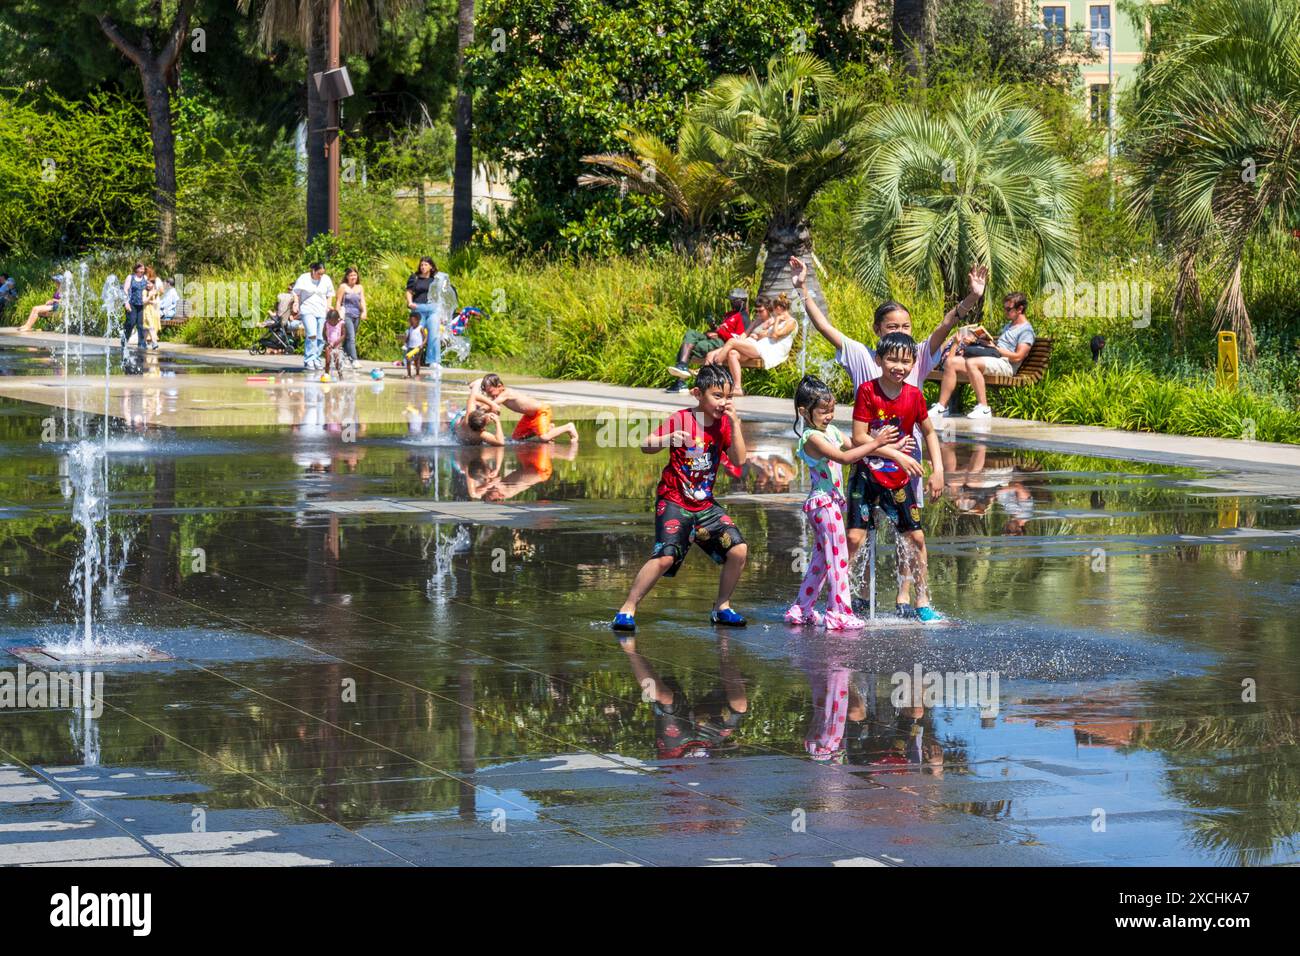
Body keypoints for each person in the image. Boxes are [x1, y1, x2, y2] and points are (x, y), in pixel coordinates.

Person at [790, 255, 984, 569]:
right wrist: (802, 289)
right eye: (893, 326)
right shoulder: (861, 356)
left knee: (909, 532)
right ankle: (854, 593)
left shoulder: (917, 356)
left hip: (908, 457)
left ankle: (906, 596)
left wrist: (972, 297)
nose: (901, 331)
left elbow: (944, 325)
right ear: (878, 330)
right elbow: (824, 326)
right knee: (860, 532)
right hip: (867, 455)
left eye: (906, 326)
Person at [612, 364, 748, 633]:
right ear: (698, 393)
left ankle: (722, 607)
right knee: (665, 557)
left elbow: (739, 460)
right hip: (674, 500)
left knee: (738, 549)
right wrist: (669, 438)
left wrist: (734, 424)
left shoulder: (724, 425)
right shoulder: (681, 420)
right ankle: (626, 609)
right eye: (717, 395)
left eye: (727, 396)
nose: (723, 402)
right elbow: (646, 445)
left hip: (705, 504)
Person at [784, 375, 908, 630]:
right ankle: (838, 613)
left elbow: (857, 447)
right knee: (839, 560)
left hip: (831, 505)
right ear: (804, 412)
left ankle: (801, 609)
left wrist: (890, 448)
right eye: (823, 411)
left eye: (832, 410)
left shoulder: (830, 431)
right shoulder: (811, 438)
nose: (829, 416)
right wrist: (876, 442)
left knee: (821, 560)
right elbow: (844, 458)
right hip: (823, 505)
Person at [851, 332, 946, 623]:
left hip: (898, 480)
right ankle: (845, 597)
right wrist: (896, 453)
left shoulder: (914, 396)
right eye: (891, 359)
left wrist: (938, 470)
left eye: (905, 361)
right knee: (855, 539)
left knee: (915, 538)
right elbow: (857, 437)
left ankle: (922, 600)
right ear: (878, 360)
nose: (898, 366)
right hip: (866, 475)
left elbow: (929, 431)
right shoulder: (868, 391)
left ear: (913, 364)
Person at [930, 291, 1035, 420]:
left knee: (971, 363)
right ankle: (942, 407)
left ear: (1020, 309)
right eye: (1005, 308)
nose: (1005, 312)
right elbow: (999, 348)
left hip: (1006, 365)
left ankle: (984, 408)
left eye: (1009, 309)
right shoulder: (1009, 326)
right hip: (995, 359)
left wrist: (995, 348)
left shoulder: (1026, 330)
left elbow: (1018, 356)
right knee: (951, 362)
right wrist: (985, 342)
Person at [702, 293, 798, 395]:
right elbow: (764, 334)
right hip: (759, 346)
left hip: (766, 350)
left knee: (731, 342)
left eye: (774, 308)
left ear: (779, 307)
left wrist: (776, 321)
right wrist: (761, 334)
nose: (773, 311)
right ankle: (737, 388)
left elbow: (774, 334)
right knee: (732, 354)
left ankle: (713, 367)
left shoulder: (790, 322)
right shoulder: (774, 321)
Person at [665, 288, 750, 393]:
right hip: (716, 338)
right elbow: (722, 330)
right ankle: (682, 366)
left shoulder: (743, 317)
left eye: (734, 300)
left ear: (742, 301)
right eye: (730, 300)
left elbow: (737, 339)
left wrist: (718, 331)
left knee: (693, 347)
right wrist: (713, 329)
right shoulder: (729, 314)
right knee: (690, 334)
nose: (731, 302)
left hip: (723, 344)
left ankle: (680, 382)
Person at [466, 373, 579, 443]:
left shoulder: (506, 393)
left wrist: (477, 411)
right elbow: (491, 404)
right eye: (488, 393)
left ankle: (568, 427)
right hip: (530, 416)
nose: (490, 396)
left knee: (544, 438)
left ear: (500, 386)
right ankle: (549, 428)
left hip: (542, 411)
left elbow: (492, 405)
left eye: (491, 392)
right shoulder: (499, 394)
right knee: (516, 438)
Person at [291, 262, 334, 371]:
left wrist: (329, 306)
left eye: (322, 273)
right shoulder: (303, 278)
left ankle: (317, 358)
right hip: (307, 309)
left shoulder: (326, 279)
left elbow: (330, 294)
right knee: (312, 334)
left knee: (321, 337)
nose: (320, 276)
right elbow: (296, 292)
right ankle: (309, 359)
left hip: (321, 311)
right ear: (313, 271)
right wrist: (296, 303)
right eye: (319, 273)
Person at [406, 256, 446, 369]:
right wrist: (410, 303)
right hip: (419, 308)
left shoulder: (435, 280)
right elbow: (409, 291)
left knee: (434, 335)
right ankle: (410, 359)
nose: (423, 267)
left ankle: (434, 361)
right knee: (416, 335)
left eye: (425, 265)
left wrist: (441, 313)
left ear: (431, 267)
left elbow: (440, 296)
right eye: (421, 265)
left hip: (433, 309)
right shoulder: (415, 278)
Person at [335, 266, 367, 367]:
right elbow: (338, 302)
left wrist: (364, 312)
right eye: (351, 275)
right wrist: (337, 316)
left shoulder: (360, 287)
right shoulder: (343, 287)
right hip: (346, 315)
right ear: (347, 276)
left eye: (355, 275)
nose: (353, 277)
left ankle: (344, 358)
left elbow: (362, 301)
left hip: (356, 315)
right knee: (351, 337)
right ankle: (354, 360)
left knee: (348, 337)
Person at [121, 263, 149, 348]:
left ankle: (141, 343)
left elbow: (149, 288)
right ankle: (125, 340)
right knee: (131, 322)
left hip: (142, 305)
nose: (143, 270)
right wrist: (126, 302)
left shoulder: (145, 278)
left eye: (143, 269)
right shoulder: (130, 277)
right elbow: (125, 290)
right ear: (136, 269)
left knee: (141, 325)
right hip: (131, 304)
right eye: (141, 268)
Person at [401, 310, 427, 378]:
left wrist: (422, 345)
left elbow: (425, 338)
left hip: (418, 348)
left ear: (417, 320)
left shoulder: (421, 328)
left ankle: (417, 374)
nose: (411, 323)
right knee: (408, 360)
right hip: (410, 347)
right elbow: (408, 337)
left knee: (417, 361)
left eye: (412, 321)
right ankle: (409, 374)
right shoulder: (410, 328)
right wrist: (405, 342)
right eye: (410, 321)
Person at [322, 308, 347, 378]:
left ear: (337, 319)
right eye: (329, 321)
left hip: (337, 345)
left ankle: (340, 376)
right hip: (329, 345)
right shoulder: (326, 323)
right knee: (327, 362)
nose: (330, 323)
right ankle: (326, 375)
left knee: (337, 363)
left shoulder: (341, 324)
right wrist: (326, 341)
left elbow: (344, 335)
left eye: (332, 321)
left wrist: (336, 343)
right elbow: (323, 333)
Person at [141, 268, 162, 350]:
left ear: (153, 284)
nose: (148, 285)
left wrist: (150, 300)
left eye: (150, 284)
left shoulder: (156, 292)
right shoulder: (144, 291)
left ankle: (143, 342)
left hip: (153, 312)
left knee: (146, 329)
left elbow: (156, 302)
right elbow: (143, 301)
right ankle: (154, 343)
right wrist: (149, 297)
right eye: (147, 284)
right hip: (146, 312)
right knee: (151, 327)